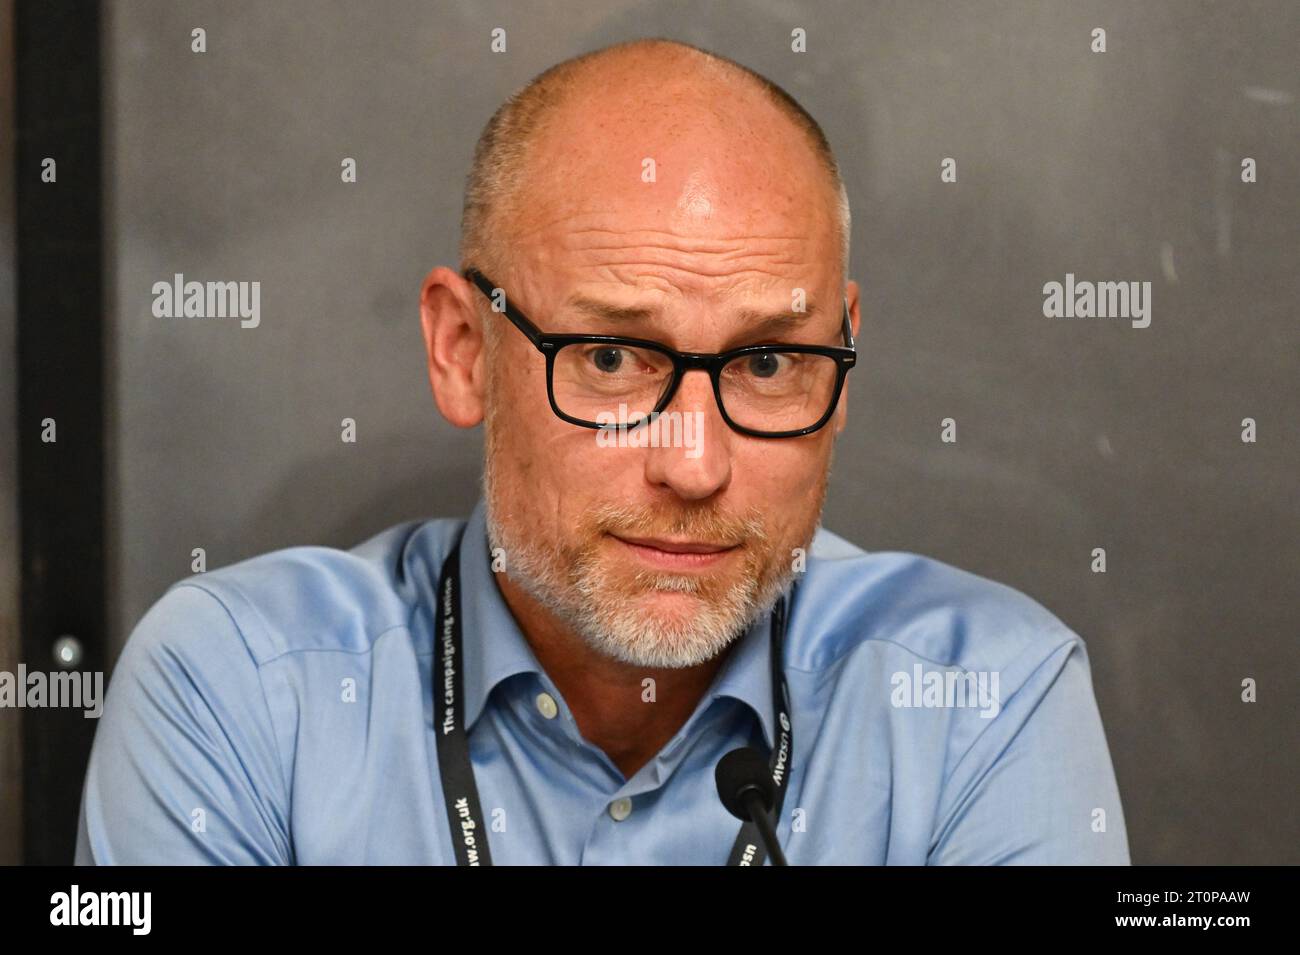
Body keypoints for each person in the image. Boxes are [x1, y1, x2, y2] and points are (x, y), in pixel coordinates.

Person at [76, 38, 1129, 865]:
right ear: (462, 351)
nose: (695, 464)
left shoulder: (984, 700)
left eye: (768, 364)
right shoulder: (239, 690)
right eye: (615, 357)